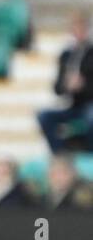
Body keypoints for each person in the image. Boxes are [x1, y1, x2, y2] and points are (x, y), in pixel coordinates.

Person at [36, 15, 93, 152]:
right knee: (44, 116)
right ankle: (60, 155)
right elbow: (57, 89)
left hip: (89, 105)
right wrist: (67, 85)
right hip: (74, 106)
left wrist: (83, 86)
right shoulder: (67, 55)